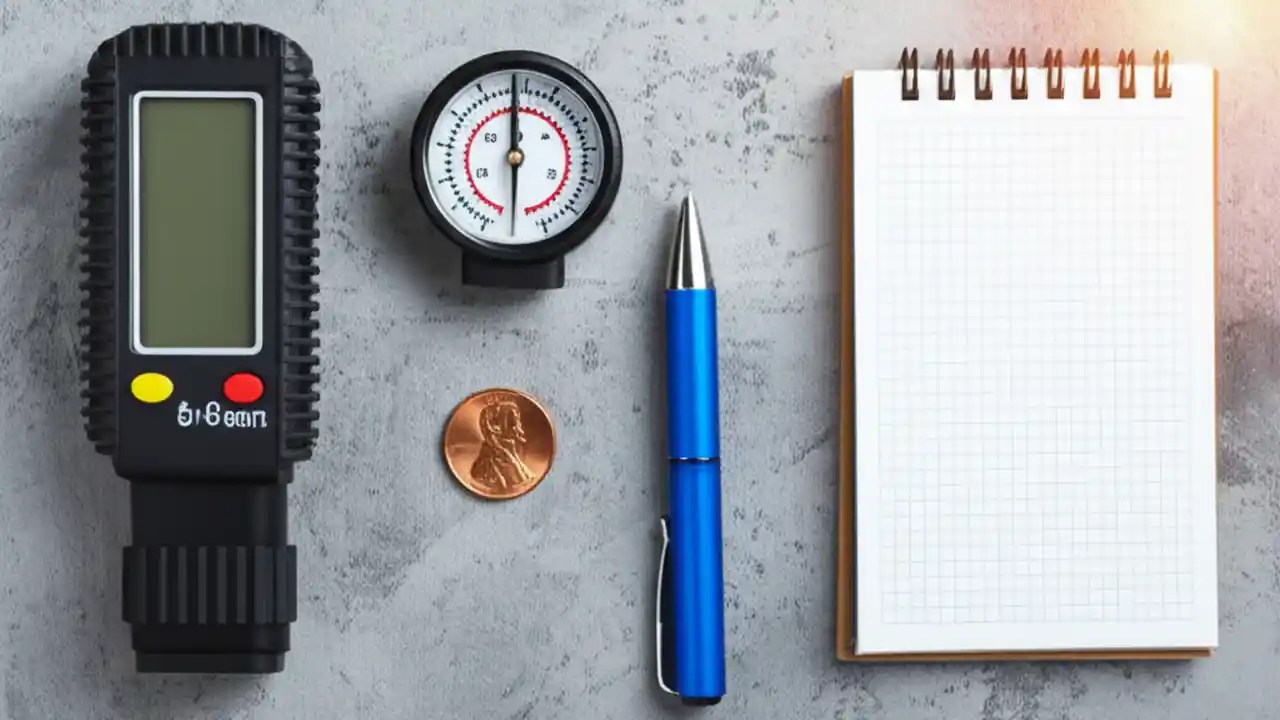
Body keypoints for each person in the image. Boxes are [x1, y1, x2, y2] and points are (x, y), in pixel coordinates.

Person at [471, 398, 535, 489]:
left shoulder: (513, 454)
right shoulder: (488, 466)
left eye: (517, 421)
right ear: (496, 427)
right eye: (513, 422)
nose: (518, 427)